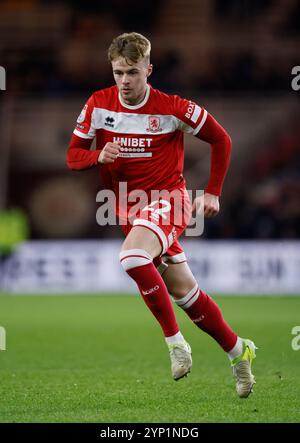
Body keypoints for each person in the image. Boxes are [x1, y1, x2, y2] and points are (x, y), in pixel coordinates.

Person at [66, 32, 257, 398]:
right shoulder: (98, 105)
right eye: (118, 72)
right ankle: (238, 351)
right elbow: (73, 155)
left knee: (132, 257)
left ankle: (176, 344)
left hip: (171, 200)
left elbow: (222, 139)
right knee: (185, 294)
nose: (124, 81)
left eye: (132, 72)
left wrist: (214, 191)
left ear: (148, 70)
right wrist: (96, 157)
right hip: (128, 210)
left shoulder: (172, 108)